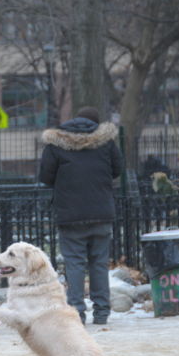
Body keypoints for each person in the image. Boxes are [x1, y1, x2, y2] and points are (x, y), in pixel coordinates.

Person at [39, 106, 124, 324]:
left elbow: (45, 176)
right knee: (99, 263)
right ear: (97, 124)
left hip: (70, 215)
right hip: (101, 212)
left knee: (74, 264)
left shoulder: (56, 144)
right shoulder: (106, 143)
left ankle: (77, 311)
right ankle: (102, 312)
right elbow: (118, 170)